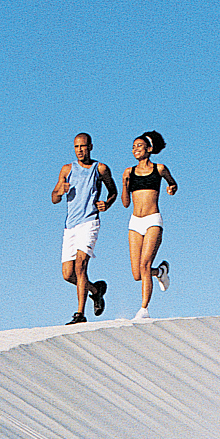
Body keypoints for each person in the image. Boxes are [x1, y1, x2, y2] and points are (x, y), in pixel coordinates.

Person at [51, 133, 114, 324]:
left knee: (81, 266)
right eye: (76, 147)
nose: (80, 150)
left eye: (83, 146)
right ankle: (96, 290)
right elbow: (54, 198)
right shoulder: (67, 169)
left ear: (90, 147)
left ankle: (80, 314)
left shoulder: (100, 168)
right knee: (68, 274)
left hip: (89, 221)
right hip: (70, 225)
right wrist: (60, 192)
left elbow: (113, 191)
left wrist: (107, 203)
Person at [122, 131, 176, 320]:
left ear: (149, 149)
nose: (135, 149)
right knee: (137, 274)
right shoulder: (129, 172)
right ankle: (160, 272)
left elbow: (172, 183)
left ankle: (143, 309)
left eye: (139, 145)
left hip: (153, 220)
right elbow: (125, 203)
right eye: (133, 146)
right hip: (135, 222)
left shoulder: (159, 168)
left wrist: (171, 188)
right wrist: (125, 184)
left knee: (145, 264)